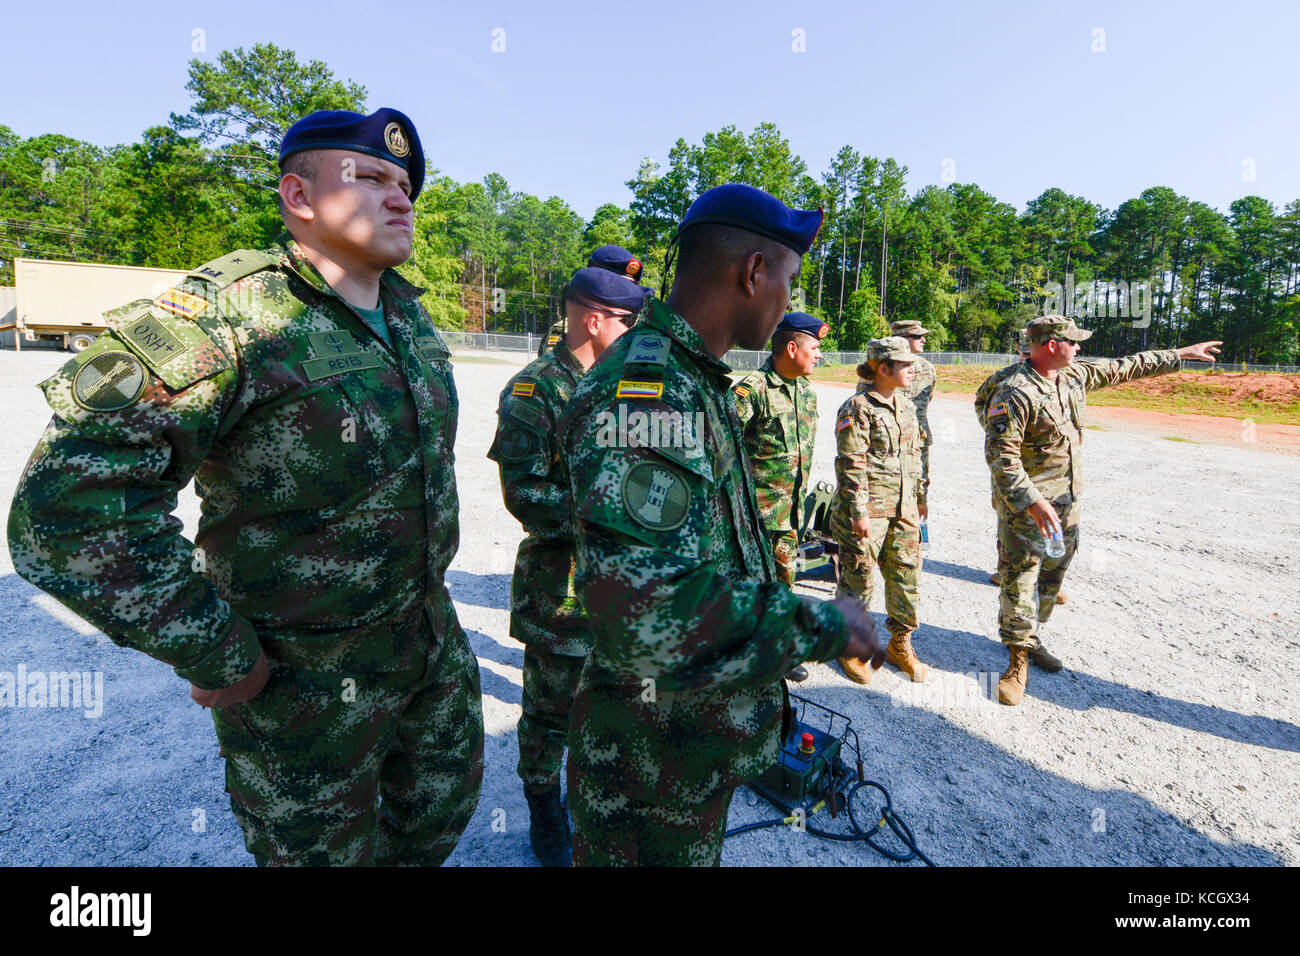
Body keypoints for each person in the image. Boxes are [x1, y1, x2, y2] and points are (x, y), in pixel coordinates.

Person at [7, 107, 485, 865]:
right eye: (370, 178)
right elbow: (67, 511)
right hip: (302, 681)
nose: (401, 199)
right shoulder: (228, 313)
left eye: (406, 186)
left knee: (436, 821)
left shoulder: (410, 318)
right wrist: (217, 649)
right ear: (299, 197)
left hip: (427, 646)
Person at [558, 183, 884, 866]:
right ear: (753, 271)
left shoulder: (694, 380)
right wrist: (826, 623)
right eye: (788, 280)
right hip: (647, 768)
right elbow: (648, 612)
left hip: (683, 749)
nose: (787, 301)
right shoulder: (649, 390)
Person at [487, 264, 647, 866]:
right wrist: (606, 513)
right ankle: (543, 809)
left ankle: (597, 802)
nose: (635, 333)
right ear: (594, 317)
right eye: (628, 321)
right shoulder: (535, 390)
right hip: (562, 591)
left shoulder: (624, 383)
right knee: (550, 714)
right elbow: (523, 493)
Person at [984, 315, 1222, 705]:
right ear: (1050, 345)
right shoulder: (1015, 391)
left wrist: (1181, 354)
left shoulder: (1073, 376)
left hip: (1067, 503)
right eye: (1072, 342)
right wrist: (1031, 499)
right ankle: (1017, 657)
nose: (1079, 348)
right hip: (1027, 509)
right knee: (1020, 579)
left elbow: (1126, 365)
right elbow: (1001, 457)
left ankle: (1032, 635)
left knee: (1053, 576)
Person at [731, 311, 828, 683]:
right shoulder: (751, 390)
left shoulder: (805, 391)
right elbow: (717, 447)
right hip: (754, 518)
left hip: (788, 515)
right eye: (814, 348)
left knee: (784, 582)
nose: (819, 355)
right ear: (792, 348)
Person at [830, 337, 930, 684]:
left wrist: (919, 498)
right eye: (904, 365)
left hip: (902, 509)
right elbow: (850, 464)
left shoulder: (906, 405)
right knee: (858, 579)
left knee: (906, 577)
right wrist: (858, 512)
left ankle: (901, 643)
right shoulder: (857, 407)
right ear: (883, 369)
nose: (912, 368)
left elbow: (914, 457)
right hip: (868, 511)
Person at [976, 331, 1073, 606]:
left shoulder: (1054, 378)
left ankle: (1046, 583)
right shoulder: (1006, 379)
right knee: (1011, 525)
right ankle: (1006, 569)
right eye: (1021, 350)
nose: (1024, 355)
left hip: (1048, 475)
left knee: (1053, 527)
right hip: (1014, 469)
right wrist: (996, 429)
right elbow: (981, 400)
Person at [535, 245, 645, 357]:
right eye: (620, 286)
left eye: (631, 287)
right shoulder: (566, 332)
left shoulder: (634, 328)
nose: (628, 293)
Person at [890, 320, 936, 497]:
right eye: (917, 336)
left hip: (918, 440)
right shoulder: (881, 368)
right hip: (889, 440)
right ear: (901, 339)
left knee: (919, 489)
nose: (923, 340)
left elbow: (927, 400)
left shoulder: (928, 369)